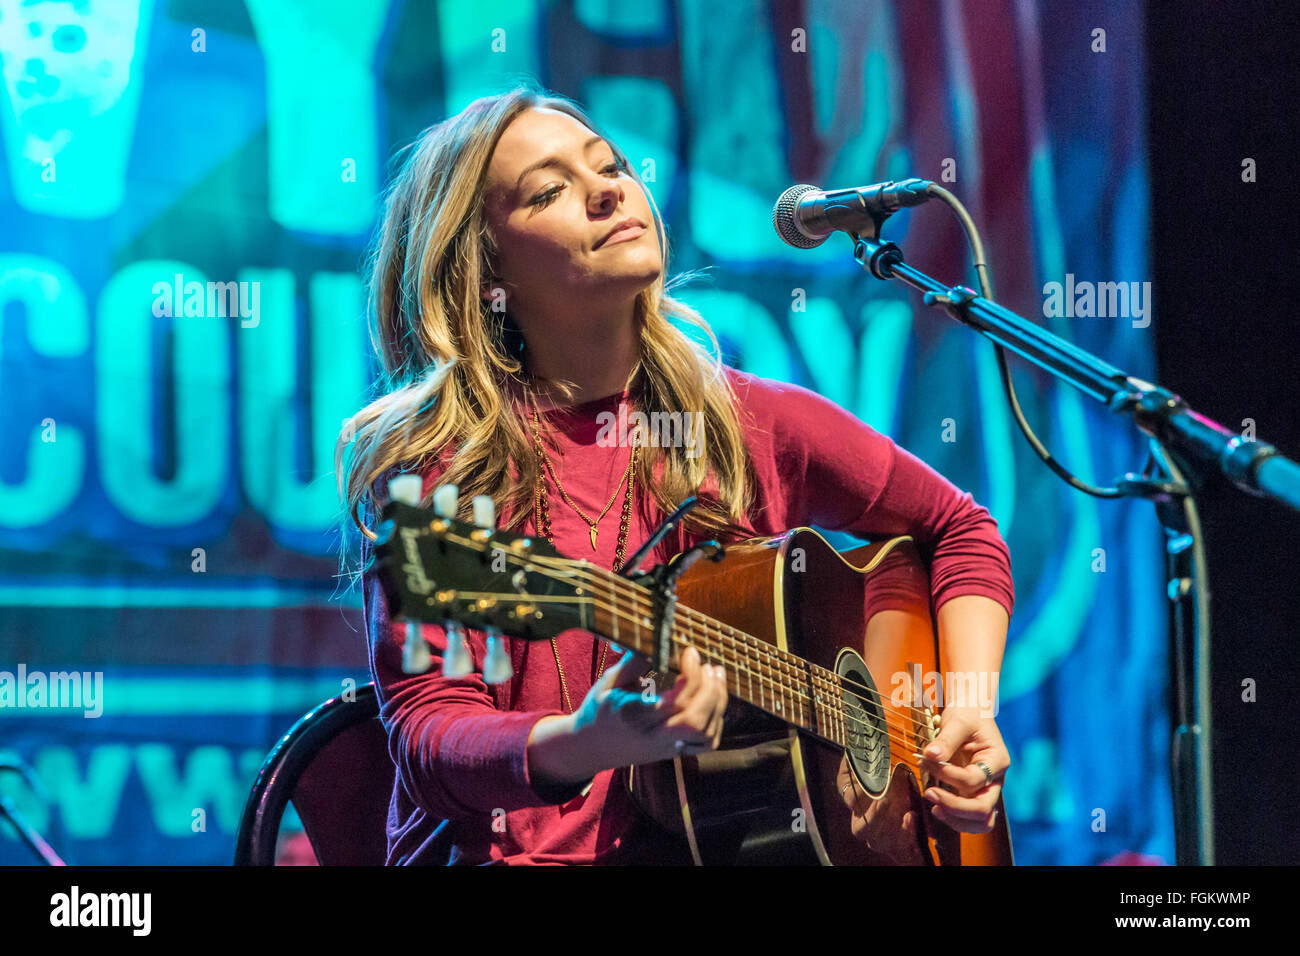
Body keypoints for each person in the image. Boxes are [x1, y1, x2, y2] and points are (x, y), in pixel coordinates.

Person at [336, 80, 1014, 865]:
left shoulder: (740, 421)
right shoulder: (438, 467)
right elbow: (429, 739)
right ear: (487, 275)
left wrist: (967, 707)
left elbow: (961, 529)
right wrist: (582, 742)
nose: (606, 191)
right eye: (551, 189)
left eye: (612, 165)